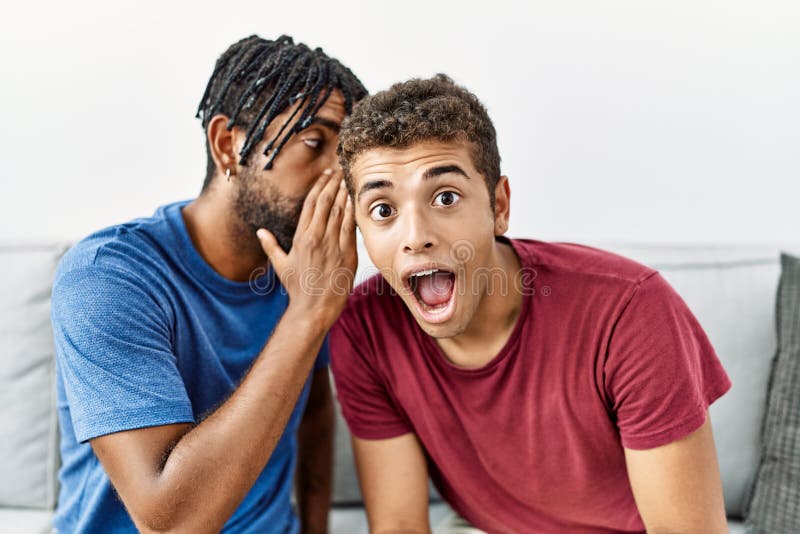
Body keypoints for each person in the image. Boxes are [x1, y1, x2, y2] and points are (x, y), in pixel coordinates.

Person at [330, 74, 732, 533]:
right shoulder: (363, 331)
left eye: (445, 197)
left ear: (498, 206)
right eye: (383, 209)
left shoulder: (631, 311)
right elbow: (399, 526)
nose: (416, 236)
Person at [50, 35, 366, 533]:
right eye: (314, 143)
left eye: (347, 157)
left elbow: (314, 418)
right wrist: (308, 313)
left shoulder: (307, 266)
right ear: (227, 144)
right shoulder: (108, 277)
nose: (337, 176)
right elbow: (172, 523)